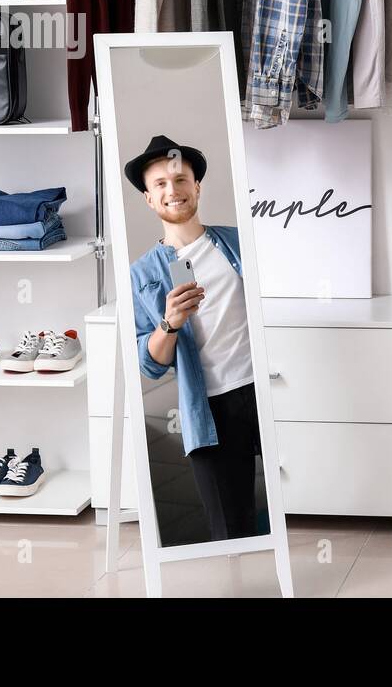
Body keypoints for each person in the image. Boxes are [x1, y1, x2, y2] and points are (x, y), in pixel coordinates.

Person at [124, 135, 263, 542]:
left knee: (294, 500)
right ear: (149, 199)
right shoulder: (142, 275)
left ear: (197, 186)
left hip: (264, 388)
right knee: (230, 522)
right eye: (160, 185)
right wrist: (169, 323)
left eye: (180, 178)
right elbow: (148, 364)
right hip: (209, 408)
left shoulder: (240, 241)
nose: (173, 190)